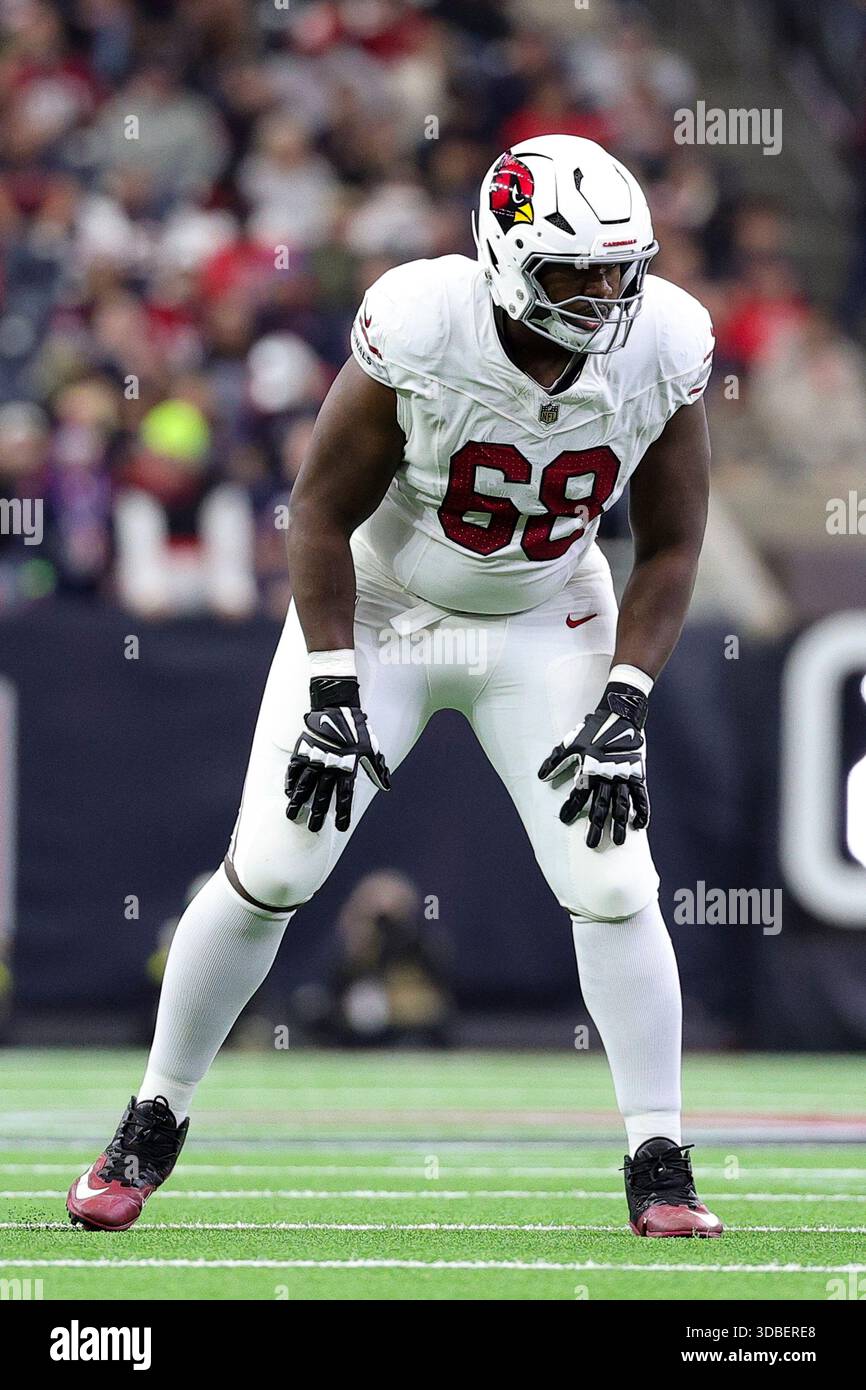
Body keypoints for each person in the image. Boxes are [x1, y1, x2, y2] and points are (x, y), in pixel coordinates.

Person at [67, 135, 721, 1238]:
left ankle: (656, 1159)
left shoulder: (665, 340)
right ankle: (152, 1117)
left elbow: (669, 544)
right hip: (383, 609)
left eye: (622, 266)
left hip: (545, 615)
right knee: (272, 865)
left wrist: (626, 695)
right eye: (577, 269)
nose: (607, 293)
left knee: (613, 879)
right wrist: (331, 682)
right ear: (507, 258)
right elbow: (318, 511)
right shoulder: (420, 321)